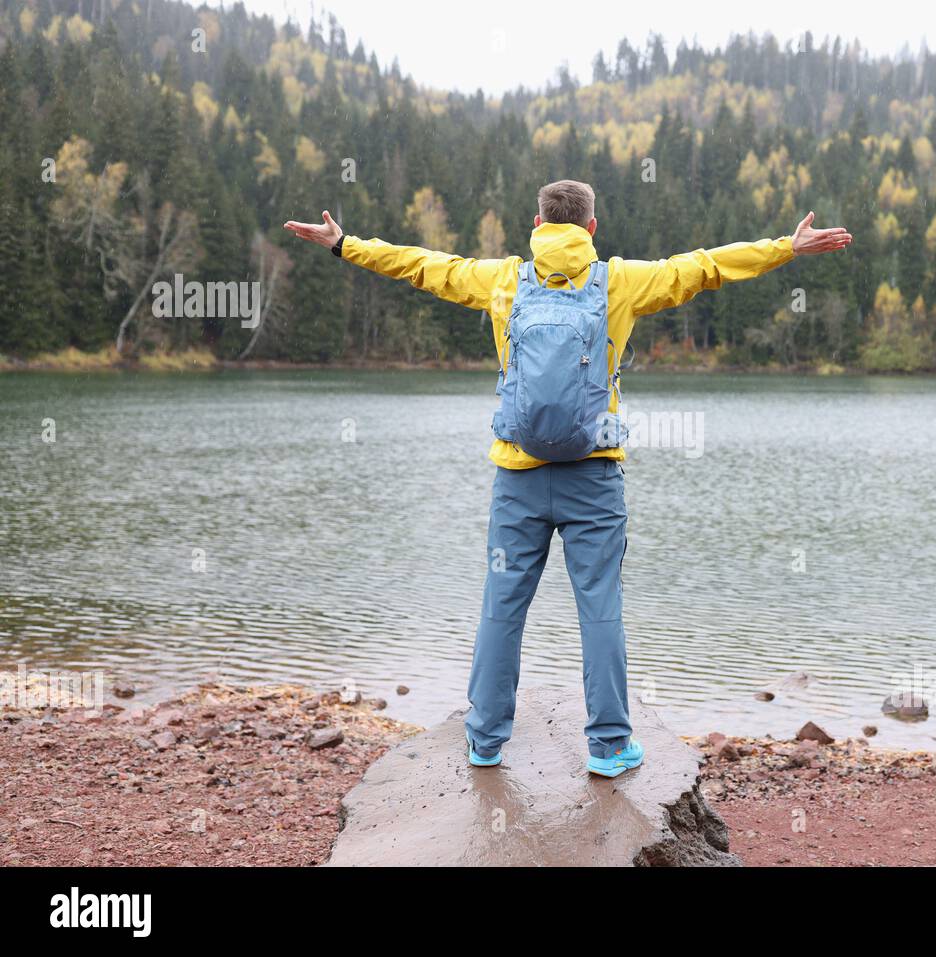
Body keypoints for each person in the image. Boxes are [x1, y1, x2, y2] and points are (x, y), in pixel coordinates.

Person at [284, 179, 852, 776]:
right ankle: (608, 747)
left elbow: (423, 266)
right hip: (594, 474)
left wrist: (343, 244)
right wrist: (785, 248)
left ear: (536, 225)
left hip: (518, 475)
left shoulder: (505, 280)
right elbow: (705, 267)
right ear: (592, 229)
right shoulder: (620, 281)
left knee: (503, 605)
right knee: (600, 607)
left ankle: (484, 739)